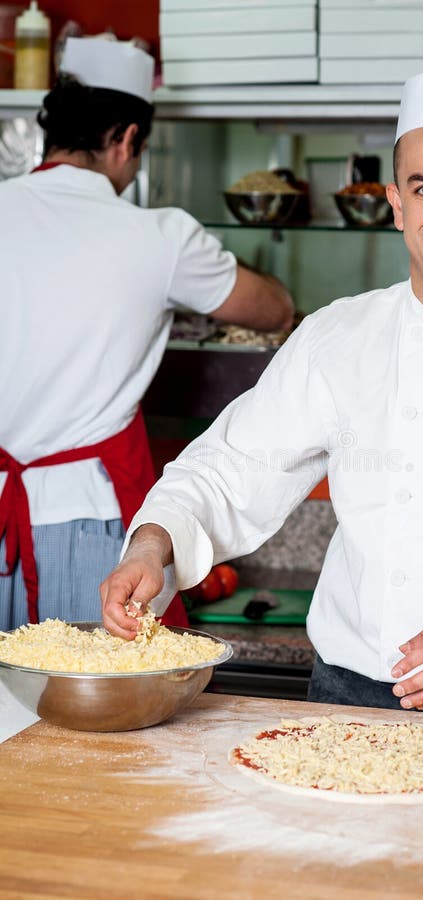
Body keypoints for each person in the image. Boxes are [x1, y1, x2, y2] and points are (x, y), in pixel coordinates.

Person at [101, 65, 423, 724]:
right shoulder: (338, 335)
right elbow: (234, 465)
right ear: (395, 203)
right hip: (349, 694)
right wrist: (152, 544)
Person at [0, 37, 294, 632]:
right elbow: (272, 310)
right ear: (127, 139)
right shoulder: (160, 236)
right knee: (94, 715)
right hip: (89, 525)